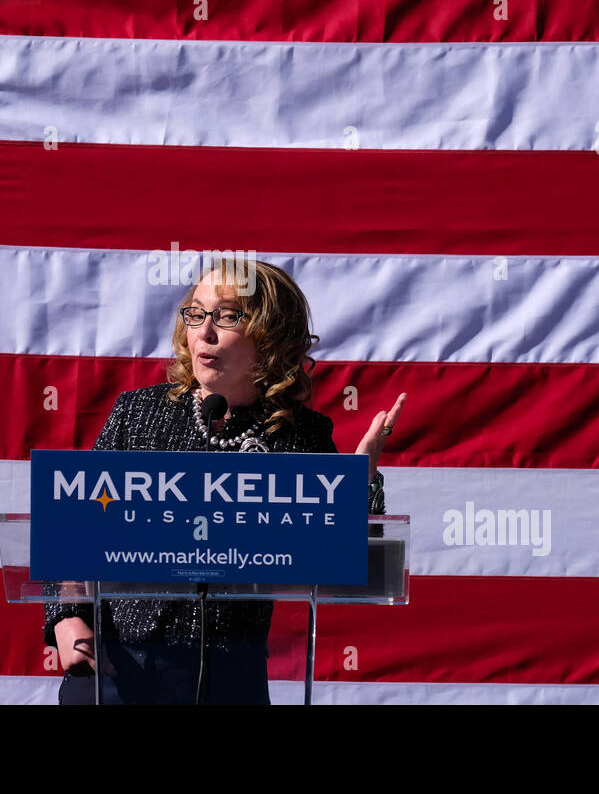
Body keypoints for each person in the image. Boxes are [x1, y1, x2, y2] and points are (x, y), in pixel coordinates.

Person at [43, 258, 406, 704]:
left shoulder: (300, 435)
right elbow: (76, 532)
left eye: (228, 316)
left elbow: (355, 572)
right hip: (116, 665)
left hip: (231, 672)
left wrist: (361, 486)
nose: (204, 332)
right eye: (196, 314)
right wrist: (68, 618)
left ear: (271, 334)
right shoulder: (138, 412)